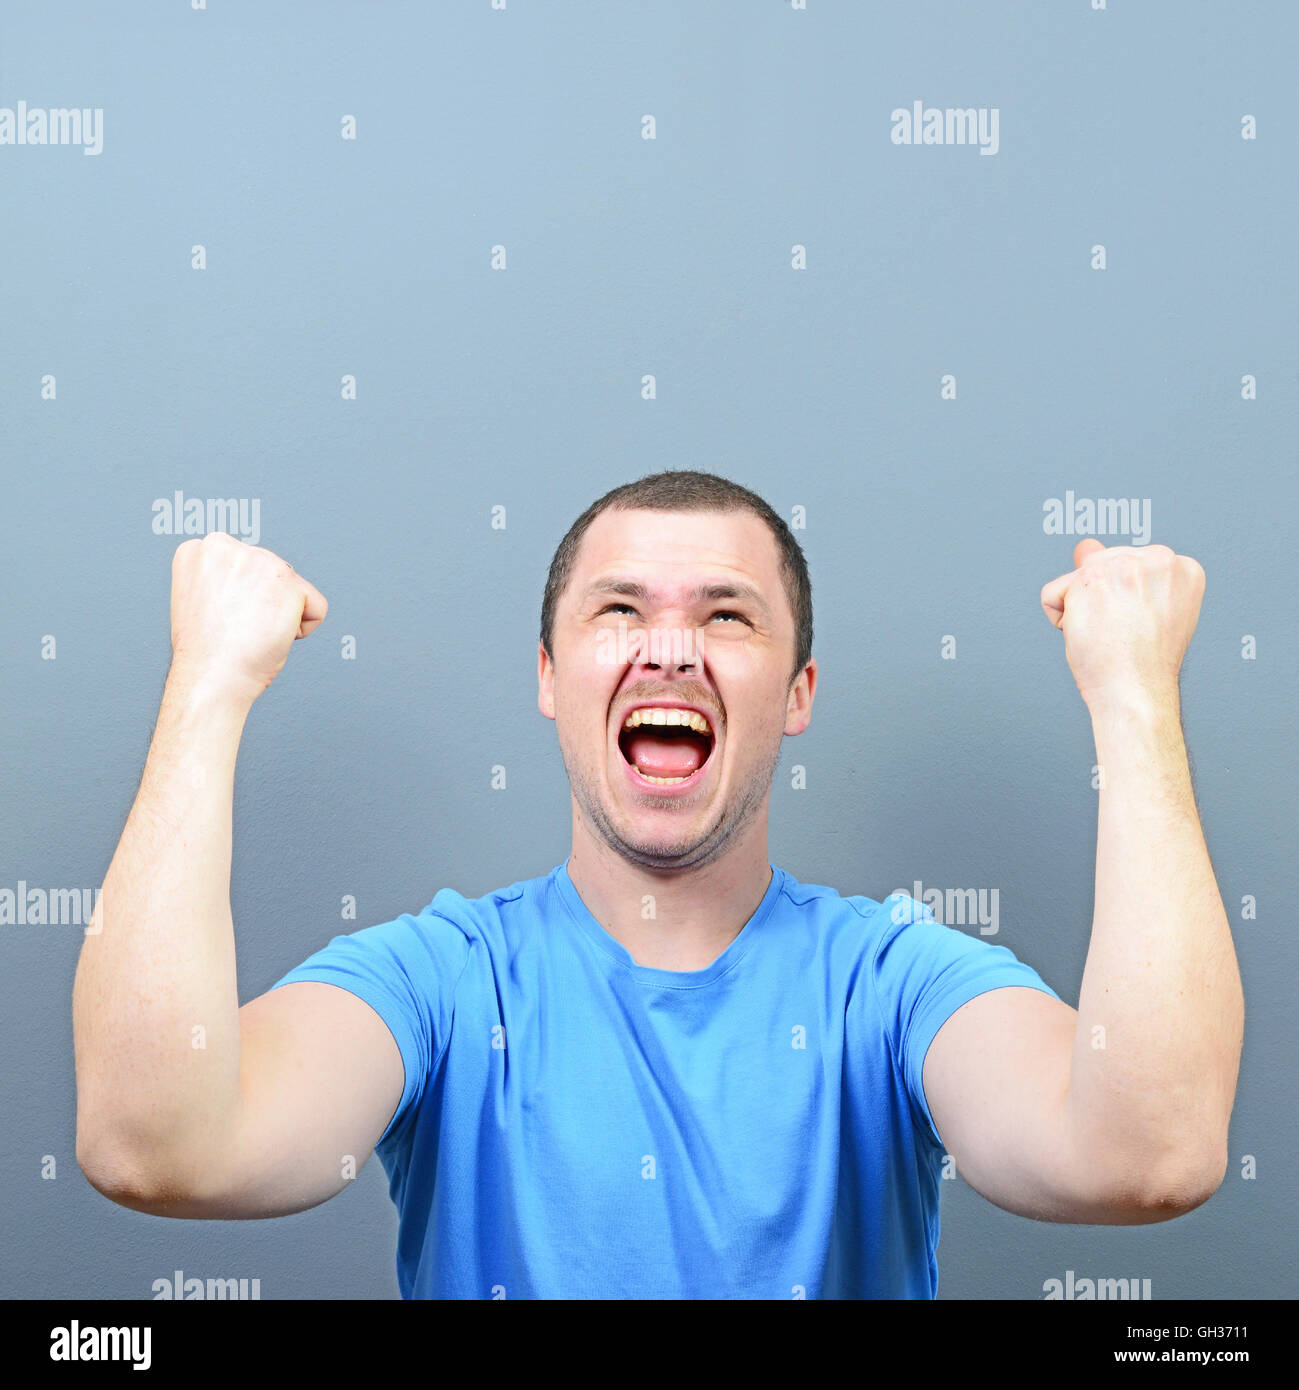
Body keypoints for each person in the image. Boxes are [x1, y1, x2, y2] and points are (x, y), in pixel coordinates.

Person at [72, 470, 1243, 1299]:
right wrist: (209, 686)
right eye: (618, 609)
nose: (671, 650)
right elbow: (155, 1145)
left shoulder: (891, 983)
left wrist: (1133, 696)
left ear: (797, 693)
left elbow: (1149, 1155)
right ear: (549, 676)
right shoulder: (441, 980)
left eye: (726, 616)